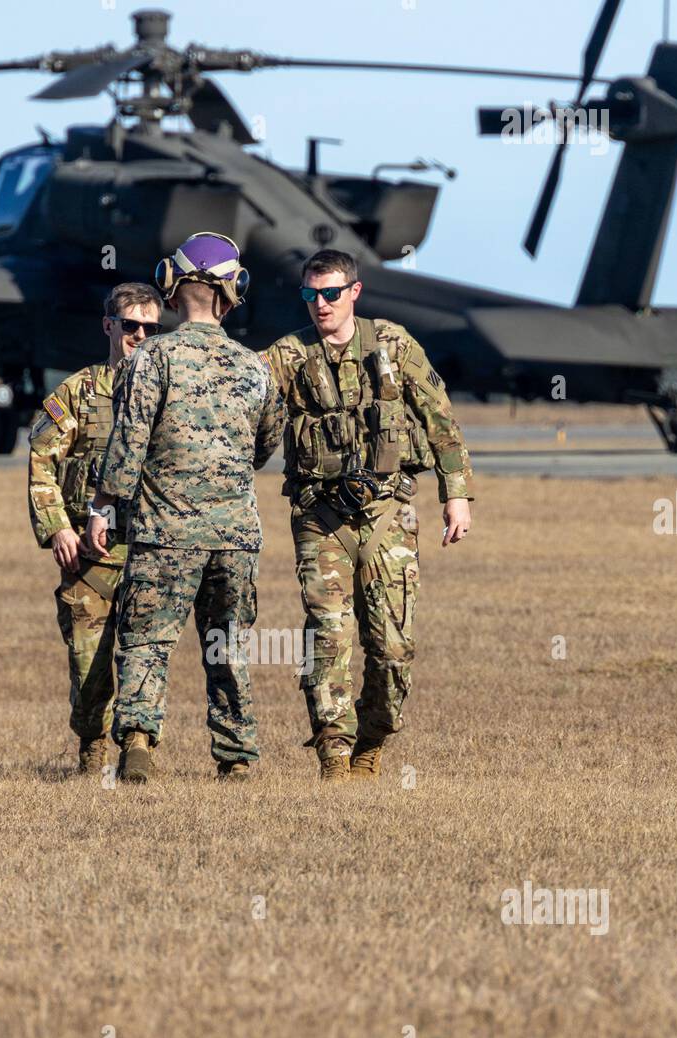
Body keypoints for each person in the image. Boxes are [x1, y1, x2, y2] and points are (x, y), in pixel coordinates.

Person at [262, 249, 473, 781]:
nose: (321, 305)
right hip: (320, 515)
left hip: (388, 513)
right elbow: (237, 400)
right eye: (311, 295)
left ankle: (373, 738)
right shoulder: (287, 356)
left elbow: (438, 416)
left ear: (354, 292)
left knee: (393, 644)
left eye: (331, 293)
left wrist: (457, 494)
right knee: (328, 633)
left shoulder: (393, 345)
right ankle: (334, 752)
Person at [86, 232, 285, 784]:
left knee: (147, 642)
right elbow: (264, 448)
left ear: (172, 286)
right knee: (228, 647)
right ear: (233, 289)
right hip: (235, 535)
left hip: (163, 533)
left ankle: (139, 745)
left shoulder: (151, 358)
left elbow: (127, 445)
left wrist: (103, 508)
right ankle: (237, 757)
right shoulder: (256, 367)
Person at [27, 283, 164, 773]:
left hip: (152, 547)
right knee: (89, 664)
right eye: (131, 325)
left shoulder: (171, 393)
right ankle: (91, 746)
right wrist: (57, 528)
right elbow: (42, 458)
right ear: (110, 326)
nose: (141, 335)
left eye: (151, 327)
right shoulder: (79, 392)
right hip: (90, 553)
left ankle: (139, 747)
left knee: (145, 652)